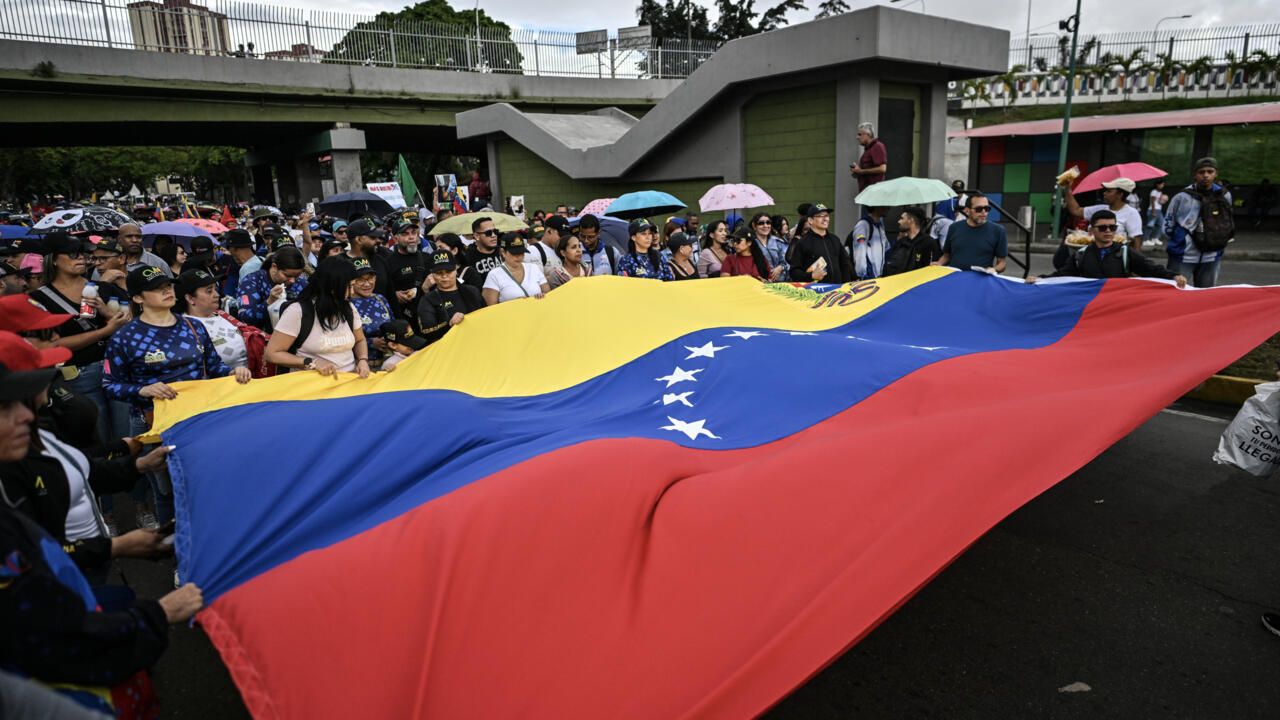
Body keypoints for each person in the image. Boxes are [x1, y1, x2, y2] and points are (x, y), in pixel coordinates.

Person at [0, 357, 204, 718]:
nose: (25, 416)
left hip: (87, 576)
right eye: (4, 408)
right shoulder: (11, 479)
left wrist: (136, 463)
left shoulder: (35, 438)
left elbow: (78, 467)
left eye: (20, 402)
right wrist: (158, 611)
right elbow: (51, 631)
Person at [103, 266, 251, 525]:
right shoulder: (124, 337)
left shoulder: (194, 326)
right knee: (167, 492)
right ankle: (175, 555)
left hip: (199, 418)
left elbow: (214, 367)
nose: (167, 291)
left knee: (204, 485)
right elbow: (109, 384)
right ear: (137, 298)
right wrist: (142, 389)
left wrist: (233, 372)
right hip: (154, 423)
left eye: (168, 285)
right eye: (157, 288)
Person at [29, 233, 130, 453]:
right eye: (74, 254)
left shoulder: (101, 287)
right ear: (53, 259)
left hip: (117, 367)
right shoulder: (40, 299)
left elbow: (130, 326)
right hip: (80, 375)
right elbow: (54, 345)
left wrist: (106, 311)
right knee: (98, 441)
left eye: (85, 255)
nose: (82, 259)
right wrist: (105, 331)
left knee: (129, 439)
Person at [265, 256, 371, 378]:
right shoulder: (297, 311)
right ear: (332, 288)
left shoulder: (348, 308)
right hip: (312, 387)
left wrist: (363, 360)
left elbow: (360, 340)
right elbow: (272, 354)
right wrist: (311, 362)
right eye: (348, 287)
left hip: (348, 384)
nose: (352, 292)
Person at [1027, 210, 1187, 287]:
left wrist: (1174, 277)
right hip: (1089, 308)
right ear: (1092, 230)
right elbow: (1062, 275)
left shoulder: (1126, 252)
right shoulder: (1080, 255)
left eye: (1112, 227)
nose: (1108, 231)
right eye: (1103, 228)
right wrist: (1041, 279)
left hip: (1116, 307)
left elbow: (1151, 269)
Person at [176, 268, 273, 377]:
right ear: (190, 298)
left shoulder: (221, 314)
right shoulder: (184, 328)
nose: (216, 294)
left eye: (215, 289)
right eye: (209, 291)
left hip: (253, 376)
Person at [1164, 157, 1233, 289]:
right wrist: (1180, 241)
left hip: (1212, 255)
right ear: (1195, 174)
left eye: (1210, 171)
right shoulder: (1182, 197)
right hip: (1183, 255)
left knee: (1206, 295)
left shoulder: (1224, 195)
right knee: (1174, 292)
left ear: (1216, 173)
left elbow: (1228, 221)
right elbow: (1168, 224)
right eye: (1201, 172)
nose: (1206, 175)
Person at [416, 249, 485, 345]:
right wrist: (449, 323)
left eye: (448, 271)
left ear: (456, 270)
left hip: (478, 342)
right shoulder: (428, 299)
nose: (444, 276)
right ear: (432, 274)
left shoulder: (472, 291)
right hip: (449, 348)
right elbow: (426, 332)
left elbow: (486, 315)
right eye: (439, 273)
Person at [235, 246, 306, 332]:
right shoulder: (252, 281)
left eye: (297, 276)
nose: (293, 281)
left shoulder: (301, 283)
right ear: (274, 266)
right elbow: (245, 317)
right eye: (287, 276)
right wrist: (269, 302)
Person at [1060, 177, 1144, 249]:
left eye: (1109, 191)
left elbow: (1136, 239)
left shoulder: (1131, 213)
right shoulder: (1099, 208)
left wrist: (1137, 264)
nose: (1104, 193)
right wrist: (1067, 189)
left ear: (1120, 195)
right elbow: (1076, 210)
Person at [939, 191, 1007, 274]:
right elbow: (946, 255)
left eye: (987, 209)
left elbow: (1002, 263)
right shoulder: (954, 227)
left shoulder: (998, 231)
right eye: (978, 209)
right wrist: (939, 264)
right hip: (955, 278)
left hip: (981, 280)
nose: (983, 212)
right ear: (967, 211)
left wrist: (993, 269)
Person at [788, 203, 854, 283]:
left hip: (837, 292)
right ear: (810, 220)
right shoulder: (803, 243)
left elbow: (845, 265)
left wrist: (846, 286)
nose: (825, 219)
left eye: (826, 215)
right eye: (820, 216)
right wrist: (811, 276)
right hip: (816, 292)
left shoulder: (835, 239)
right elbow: (794, 272)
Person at [349, 258, 393, 365]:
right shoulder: (346, 304)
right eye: (360, 280)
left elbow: (394, 326)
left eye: (370, 278)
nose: (367, 284)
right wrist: (371, 343)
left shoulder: (380, 299)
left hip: (387, 363)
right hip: (359, 367)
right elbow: (340, 340)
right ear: (351, 281)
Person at [483, 233, 549, 303]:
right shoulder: (494, 275)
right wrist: (512, 304)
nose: (519, 257)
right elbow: (490, 308)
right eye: (514, 253)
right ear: (503, 252)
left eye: (522, 253)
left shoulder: (534, 268)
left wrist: (541, 296)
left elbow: (548, 295)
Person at [383, 213, 425, 317]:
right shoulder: (388, 262)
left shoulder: (426, 257)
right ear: (395, 238)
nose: (411, 237)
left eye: (413, 232)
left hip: (426, 316)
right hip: (403, 318)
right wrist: (394, 295)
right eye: (405, 234)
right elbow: (382, 290)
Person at [883, 206, 942, 276]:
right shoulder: (900, 243)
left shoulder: (929, 243)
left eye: (902, 218)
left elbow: (931, 271)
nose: (899, 221)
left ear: (911, 220)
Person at [342, 219, 391, 298]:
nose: (378, 240)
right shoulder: (340, 264)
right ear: (359, 239)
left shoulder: (380, 260)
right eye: (373, 237)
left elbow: (390, 294)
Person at [847, 205, 889, 280]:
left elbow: (887, 248)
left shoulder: (880, 226)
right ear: (876, 206)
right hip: (867, 278)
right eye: (885, 206)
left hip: (879, 277)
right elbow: (860, 252)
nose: (888, 208)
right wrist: (863, 276)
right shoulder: (863, 225)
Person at [462, 216, 503, 289]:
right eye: (488, 233)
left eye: (495, 231)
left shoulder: (503, 252)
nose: (494, 235)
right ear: (477, 236)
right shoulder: (468, 257)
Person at [850, 122, 888, 192]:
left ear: (868, 134)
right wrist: (857, 172)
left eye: (859, 134)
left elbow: (882, 168)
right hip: (866, 193)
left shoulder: (877, 146)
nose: (857, 137)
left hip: (874, 193)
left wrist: (861, 171)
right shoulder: (868, 149)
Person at [749, 212, 788, 281]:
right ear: (754, 225)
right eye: (761, 223)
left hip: (782, 282)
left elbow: (785, 262)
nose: (765, 226)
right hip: (761, 283)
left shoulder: (776, 242)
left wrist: (780, 268)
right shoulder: (750, 244)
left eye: (768, 223)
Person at [1146, 178, 1168, 248]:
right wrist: (1154, 211)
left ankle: (1155, 238)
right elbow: (1152, 202)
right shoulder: (1154, 192)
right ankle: (1146, 240)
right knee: (1150, 225)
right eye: (1162, 184)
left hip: (1159, 210)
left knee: (1161, 224)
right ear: (1157, 185)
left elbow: (1159, 201)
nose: (1163, 186)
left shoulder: (1159, 192)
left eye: (1163, 184)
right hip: (1153, 210)